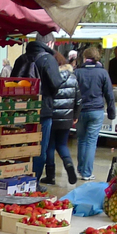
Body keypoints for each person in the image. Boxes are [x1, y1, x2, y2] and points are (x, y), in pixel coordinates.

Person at [11, 32, 64, 186]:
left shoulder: (21, 59)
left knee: (21, 144)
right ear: (50, 44)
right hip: (43, 111)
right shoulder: (48, 59)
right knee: (39, 146)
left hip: (21, 110)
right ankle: (33, 181)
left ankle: (18, 177)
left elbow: (13, 83)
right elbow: (56, 84)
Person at [73, 46, 116, 181]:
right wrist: (111, 112)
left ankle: (81, 169)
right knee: (91, 141)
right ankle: (86, 172)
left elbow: (73, 93)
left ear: (85, 58)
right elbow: (109, 94)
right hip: (96, 111)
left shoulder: (77, 72)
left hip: (80, 111)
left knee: (81, 140)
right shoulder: (103, 73)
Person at [40, 51, 78, 186]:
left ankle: (50, 176)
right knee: (62, 144)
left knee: (50, 146)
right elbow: (78, 99)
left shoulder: (51, 77)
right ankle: (69, 166)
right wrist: (75, 116)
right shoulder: (73, 77)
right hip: (67, 117)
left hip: (52, 115)